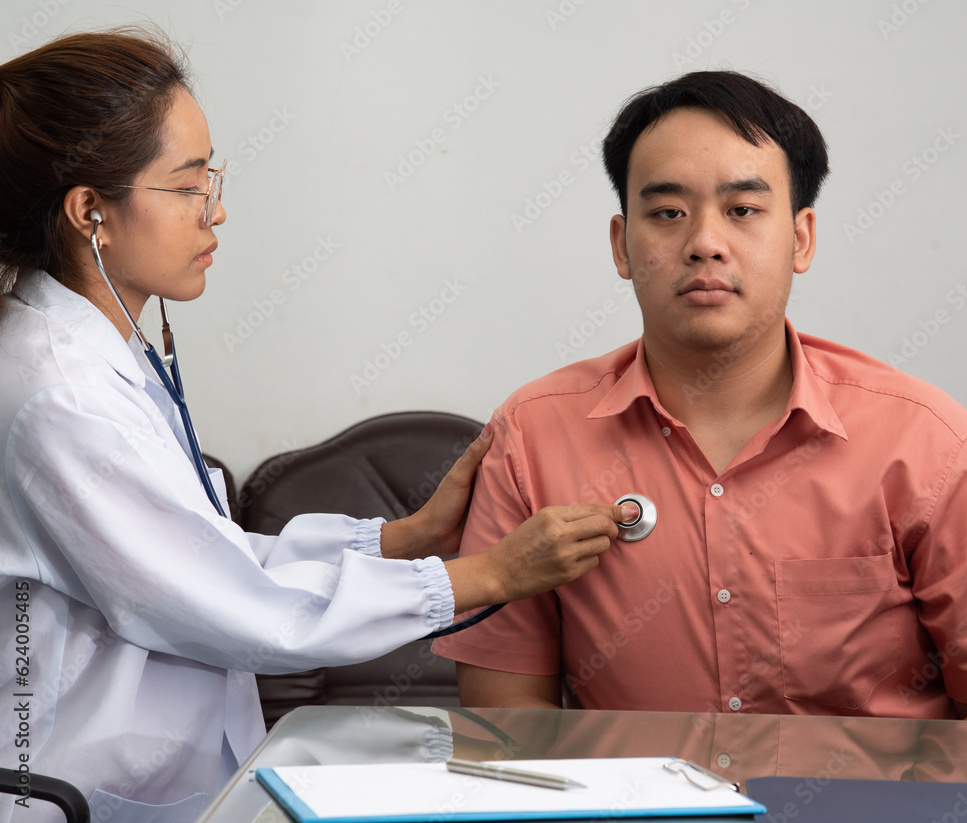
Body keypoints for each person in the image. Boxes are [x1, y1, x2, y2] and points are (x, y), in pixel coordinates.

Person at [0, 29, 634, 821]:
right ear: (91, 210)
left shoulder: (92, 355)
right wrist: (492, 574)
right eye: (189, 185)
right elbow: (234, 605)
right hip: (79, 791)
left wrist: (405, 537)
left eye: (212, 178)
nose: (217, 210)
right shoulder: (59, 393)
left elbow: (203, 554)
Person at [433, 71, 967, 722]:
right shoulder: (534, 437)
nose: (704, 242)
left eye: (743, 210)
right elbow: (505, 727)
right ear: (621, 244)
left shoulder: (929, 444)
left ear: (801, 238)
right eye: (668, 212)